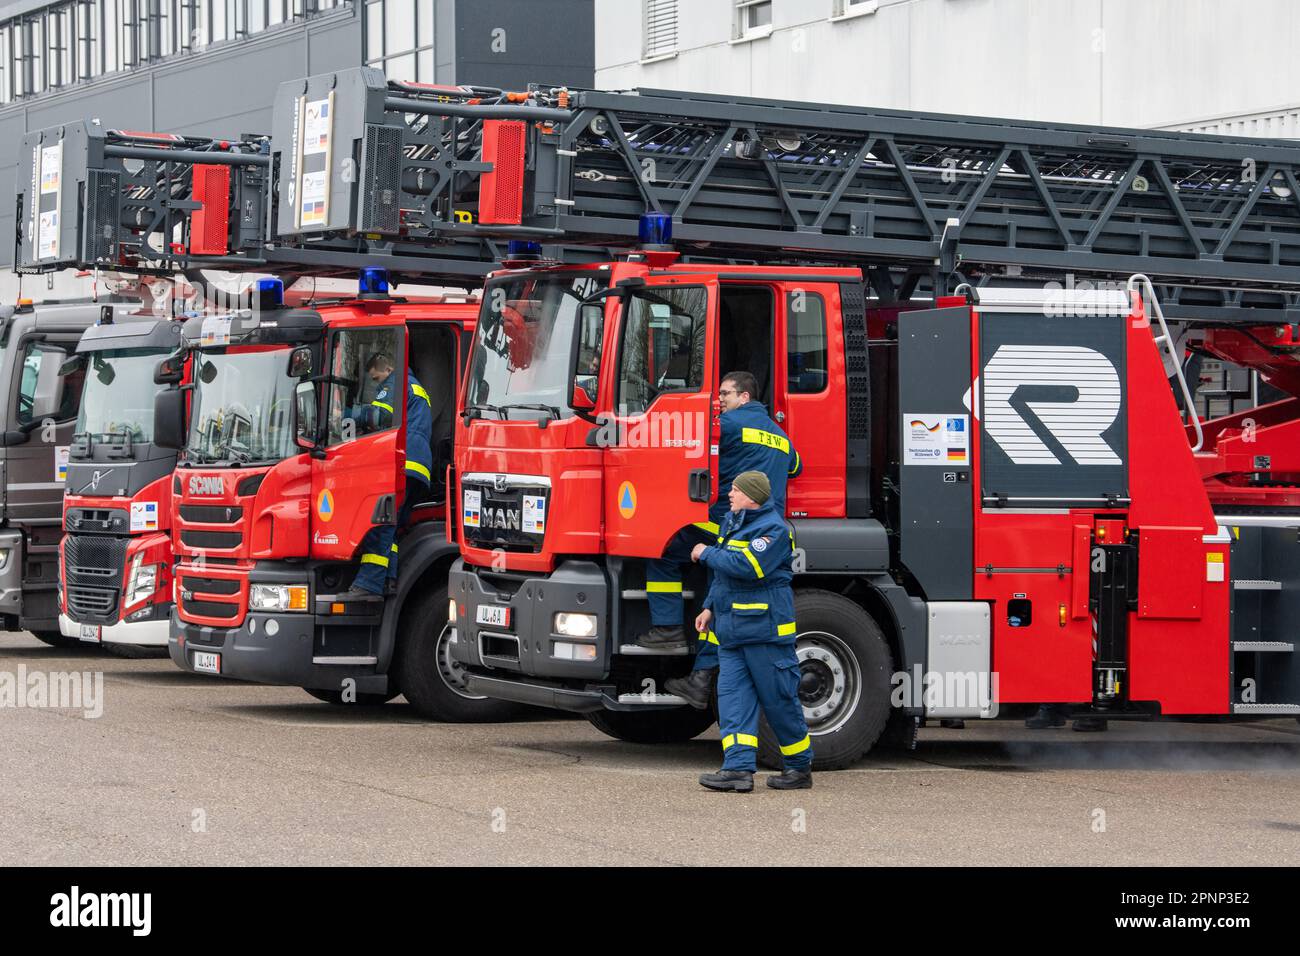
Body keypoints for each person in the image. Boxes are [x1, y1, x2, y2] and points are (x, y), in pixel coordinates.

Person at [642, 371, 803, 706]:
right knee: (722, 602)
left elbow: (684, 444)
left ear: (745, 397)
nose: (719, 401)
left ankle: (667, 629)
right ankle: (701, 679)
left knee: (662, 552)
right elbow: (796, 468)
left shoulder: (727, 426)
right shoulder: (781, 436)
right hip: (764, 532)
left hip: (722, 526)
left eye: (725, 394)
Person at [691, 471, 811, 792]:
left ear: (752, 496)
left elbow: (749, 566)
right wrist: (709, 607)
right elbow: (724, 575)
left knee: (779, 702)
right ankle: (738, 770)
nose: (729, 494)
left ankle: (799, 768)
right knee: (733, 701)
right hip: (731, 633)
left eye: (735, 489)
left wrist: (705, 553)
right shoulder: (734, 523)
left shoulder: (772, 529)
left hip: (765, 634)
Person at [338, 353, 434, 599]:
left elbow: (377, 417)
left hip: (403, 462)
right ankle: (389, 579)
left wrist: (345, 414)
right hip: (419, 468)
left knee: (379, 524)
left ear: (389, 367)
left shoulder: (395, 384)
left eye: (377, 377)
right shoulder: (418, 388)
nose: (377, 383)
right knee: (391, 527)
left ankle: (368, 585)